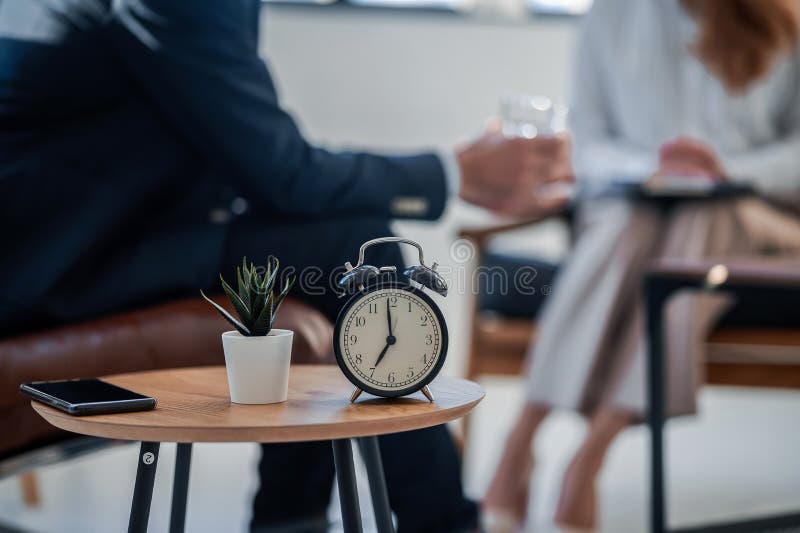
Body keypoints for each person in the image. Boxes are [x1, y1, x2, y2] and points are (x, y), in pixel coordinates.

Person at [0, 1, 571, 531]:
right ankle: (436, 521)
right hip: (50, 274)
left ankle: (309, 521)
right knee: (348, 244)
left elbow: (255, 163)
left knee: (324, 261)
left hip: (89, 244)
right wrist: (455, 172)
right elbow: (282, 174)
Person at [483, 0, 800, 530]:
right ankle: (522, 438)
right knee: (627, 228)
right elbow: (586, 146)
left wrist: (727, 169)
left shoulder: (786, 21)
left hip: (759, 218)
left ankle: (588, 458)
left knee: (705, 220)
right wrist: (653, 165)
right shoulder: (610, 16)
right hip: (639, 207)